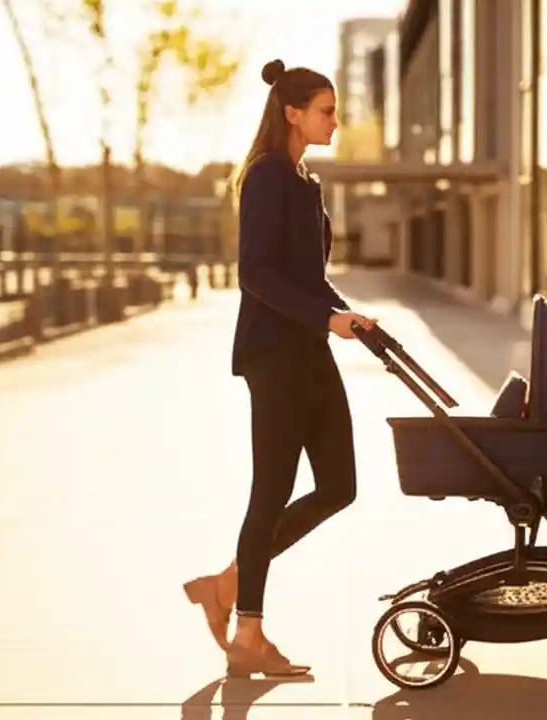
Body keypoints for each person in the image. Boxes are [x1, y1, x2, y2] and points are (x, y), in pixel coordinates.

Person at [183, 58, 375, 678]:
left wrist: (349, 316)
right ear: (292, 112)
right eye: (326, 110)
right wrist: (326, 319)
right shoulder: (266, 178)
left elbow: (308, 279)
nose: (336, 121)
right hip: (275, 356)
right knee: (271, 491)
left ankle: (229, 584)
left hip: (308, 351)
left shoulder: (301, 179)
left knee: (339, 485)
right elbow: (257, 276)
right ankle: (249, 635)